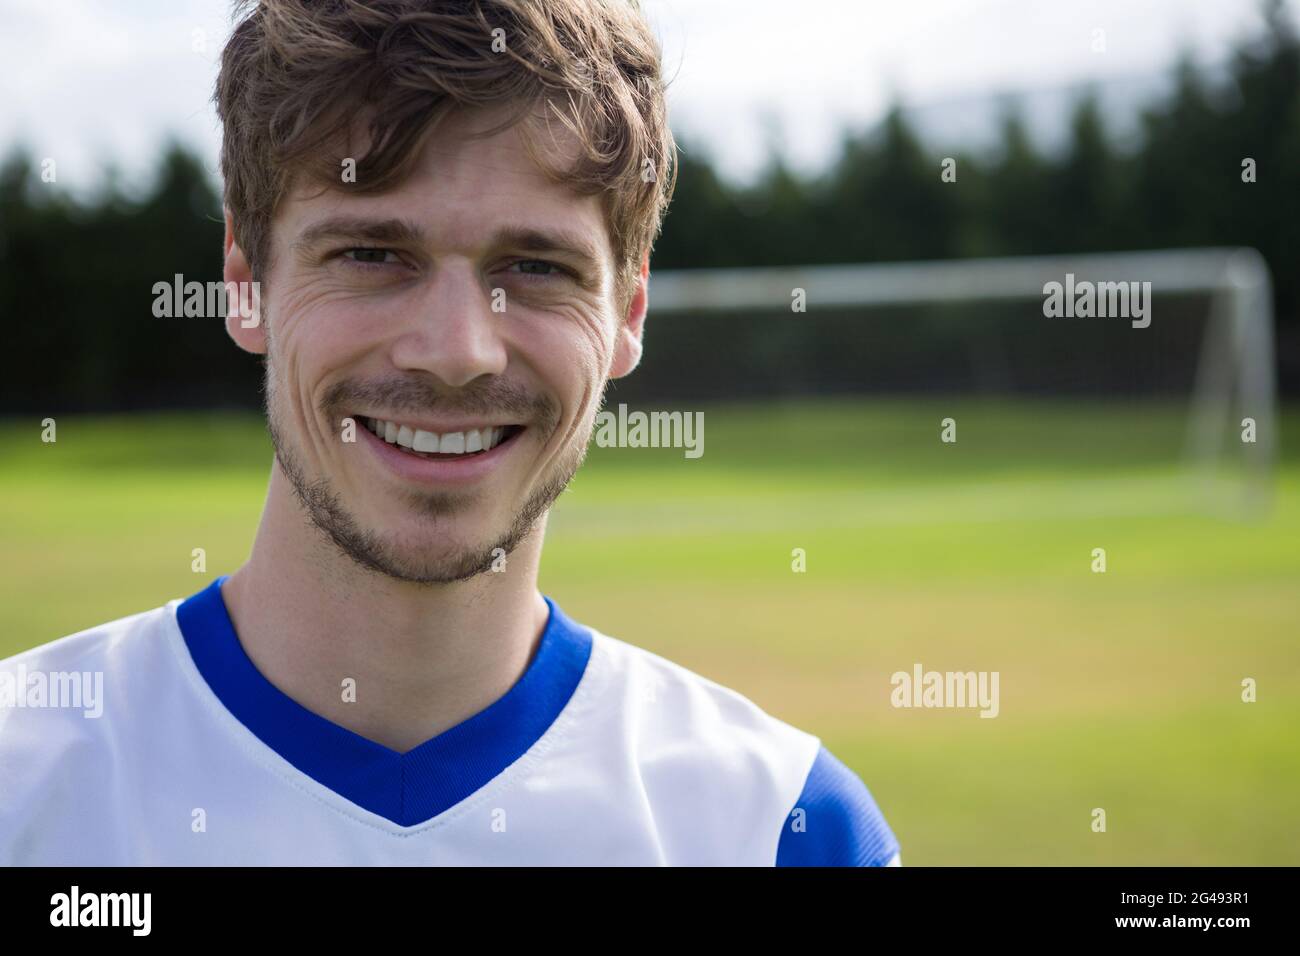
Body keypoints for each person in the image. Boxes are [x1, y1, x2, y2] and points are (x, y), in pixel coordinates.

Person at [0, 0, 899, 866]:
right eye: (372, 254)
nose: (456, 352)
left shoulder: (780, 831)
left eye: (536, 267)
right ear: (245, 283)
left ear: (628, 311)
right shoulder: (23, 784)